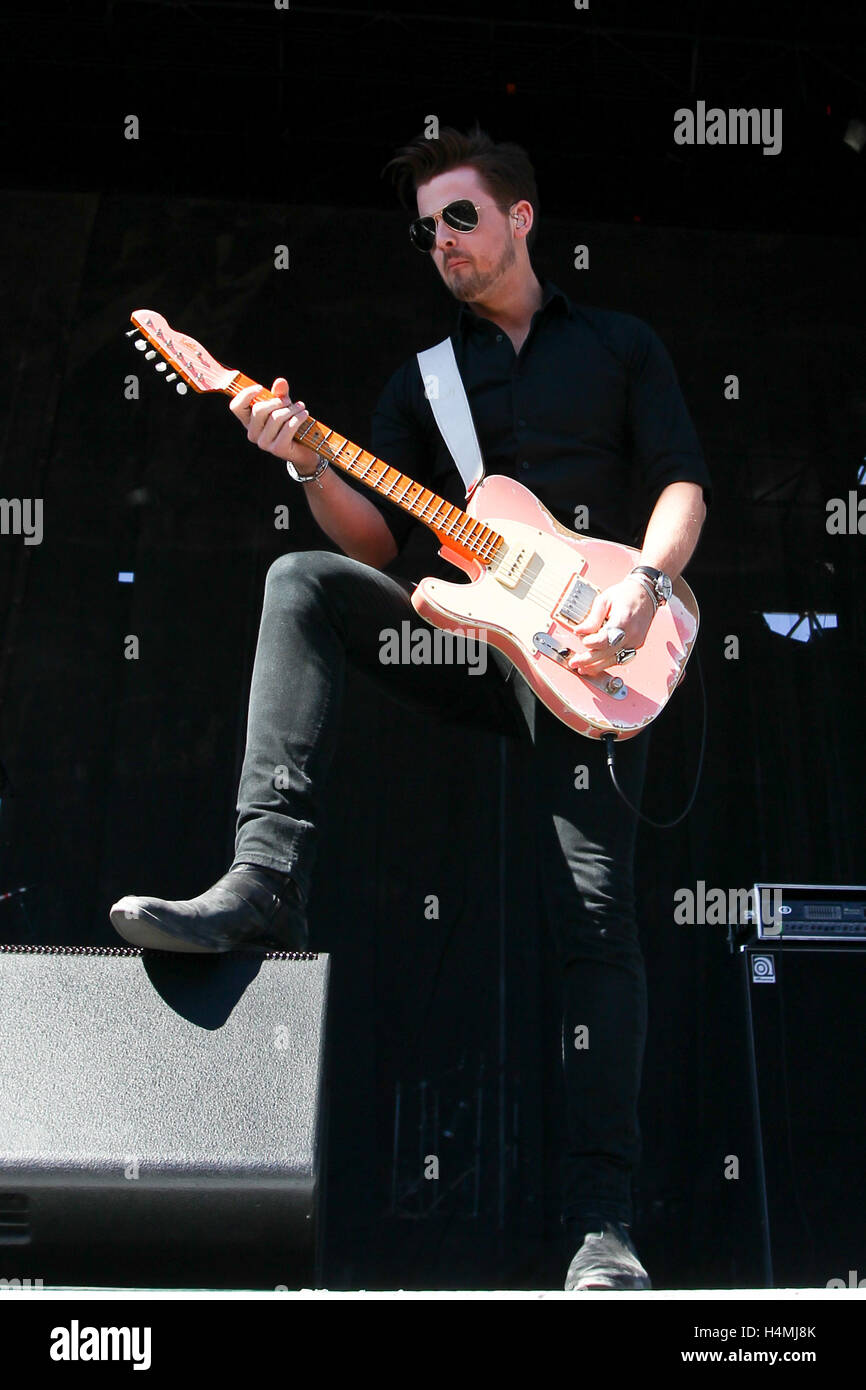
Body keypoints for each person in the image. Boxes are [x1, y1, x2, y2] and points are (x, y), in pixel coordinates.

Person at [111, 125, 710, 1291]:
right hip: (466, 643)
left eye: (458, 218)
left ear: (520, 217)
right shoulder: (420, 383)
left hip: (597, 655)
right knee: (299, 578)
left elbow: (681, 476)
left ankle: (601, 1228)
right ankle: (259, 875)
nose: (437, 240)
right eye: (424, 227)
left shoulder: (621, 347)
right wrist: (302, 462)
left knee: (596, 921)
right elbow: (377, 544)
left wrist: (640, 587)